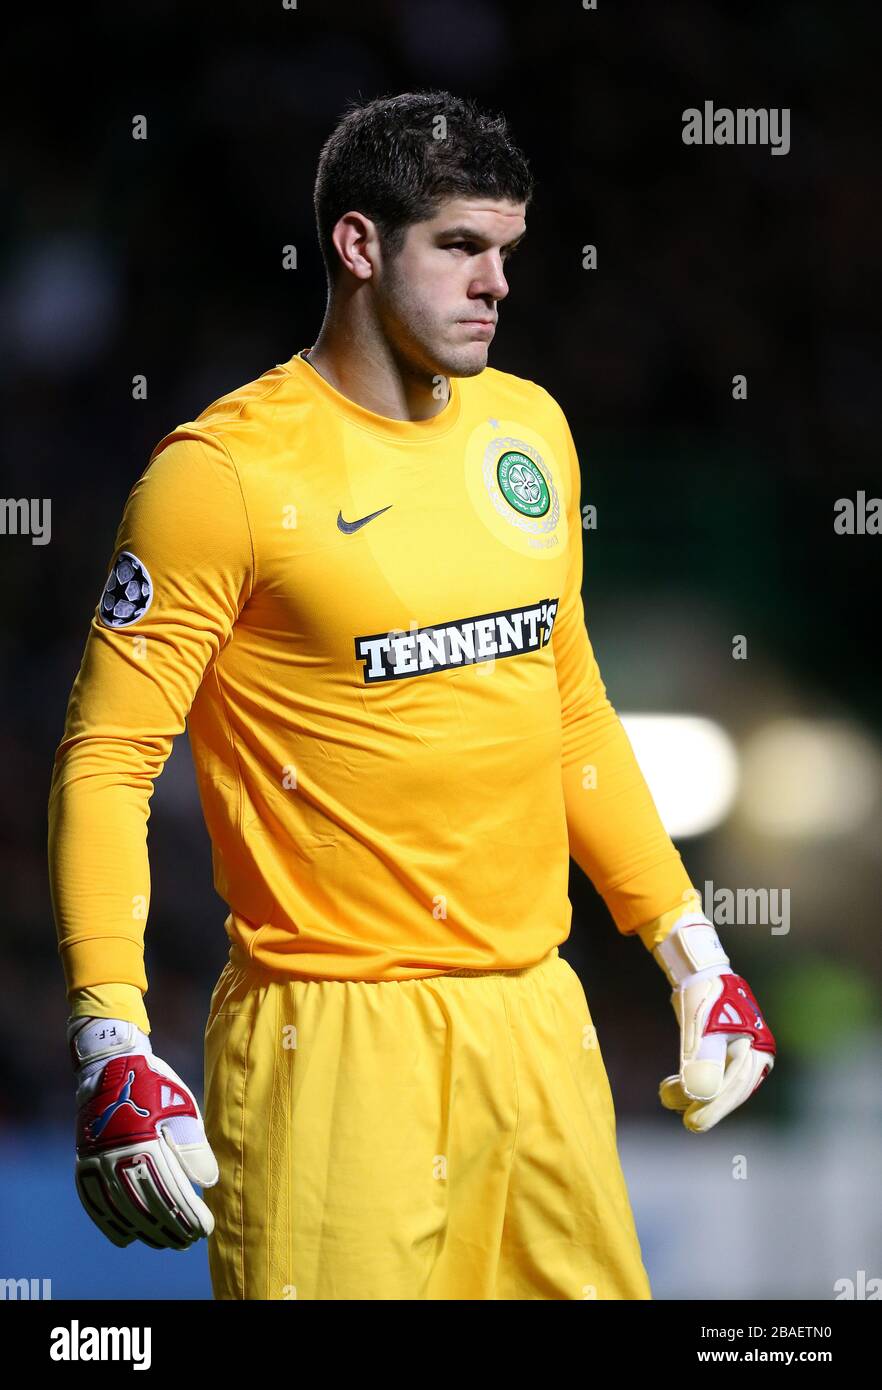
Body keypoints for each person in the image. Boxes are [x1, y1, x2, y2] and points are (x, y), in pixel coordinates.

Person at [48, 90, 775, 1301]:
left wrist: (690, 948)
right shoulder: (219, 475)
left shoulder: (531, 430)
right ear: (358, 244)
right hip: (327, 1044)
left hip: (537, 1025)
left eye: (507, 252)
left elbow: (572, 708)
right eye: (459, 246)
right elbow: (107, 760)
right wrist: (111, 1036)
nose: (496, 283)